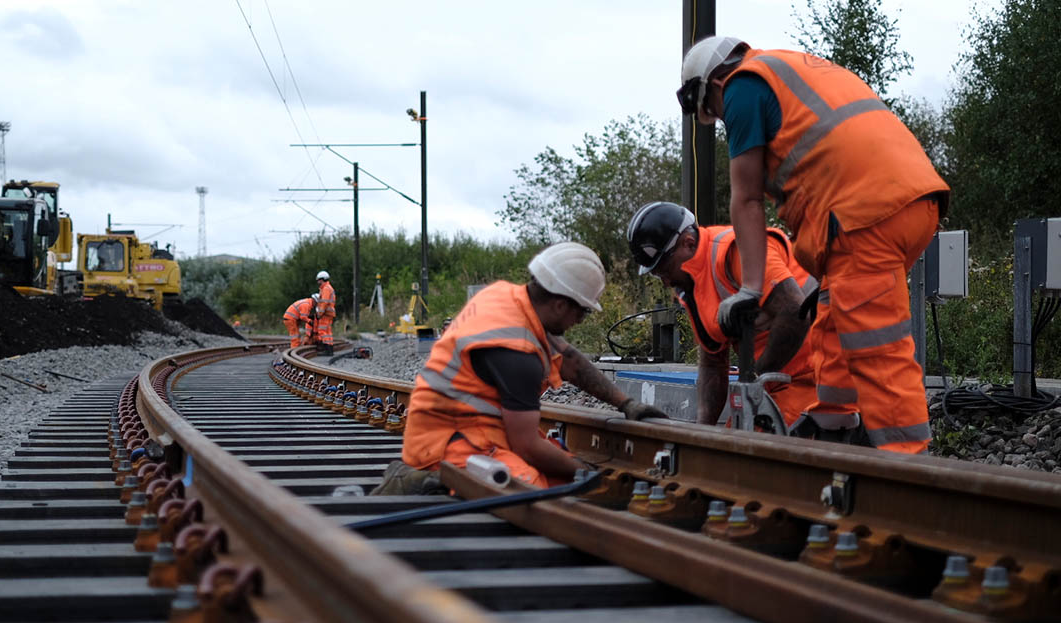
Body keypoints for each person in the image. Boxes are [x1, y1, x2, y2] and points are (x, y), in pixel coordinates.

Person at [677, 36, 949, 454]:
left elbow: (746, 197)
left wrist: (750, 289)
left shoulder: (742, 85)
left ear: (713, 83)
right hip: (910, 202)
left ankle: (910, 471)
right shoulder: (788, 67)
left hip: (862, 217)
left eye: (712, 110)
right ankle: (833, 430)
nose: (721, 118)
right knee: (833, 324)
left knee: (879, 351)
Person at [398, 242, 668, 490]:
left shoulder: (505, 297)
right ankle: (419, 480)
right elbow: (527, 446)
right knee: (531, 489)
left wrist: (626, 404)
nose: (581, 320)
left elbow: (570, 361)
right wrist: (586, 472)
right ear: (561, 304)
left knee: (559, 478)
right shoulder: (517, 352)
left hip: (469, 429)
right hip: (445, 443)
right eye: (583, 311)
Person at [627, 201, 843, 429]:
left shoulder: (737, 250)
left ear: (688, 244)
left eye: (665, 269)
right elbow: (713, 364)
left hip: (818, 374)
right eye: (657, 274)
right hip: (774, 384)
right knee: (728, 450)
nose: (667, 281)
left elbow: (793, 312)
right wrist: (702, 432)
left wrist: (754, 380)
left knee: (751, 456)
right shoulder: (693, 286)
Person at [315, 270, 336, 355]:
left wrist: (319, 313)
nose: (317, 281)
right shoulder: (328, 288)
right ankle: (330, 349)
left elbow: (324, 303)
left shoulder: (326, 289)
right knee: (328, 332)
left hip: (325, 314)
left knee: (322, 331)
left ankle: (327, 350)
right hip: (329, 313)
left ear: (322, 279)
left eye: (318, 280)